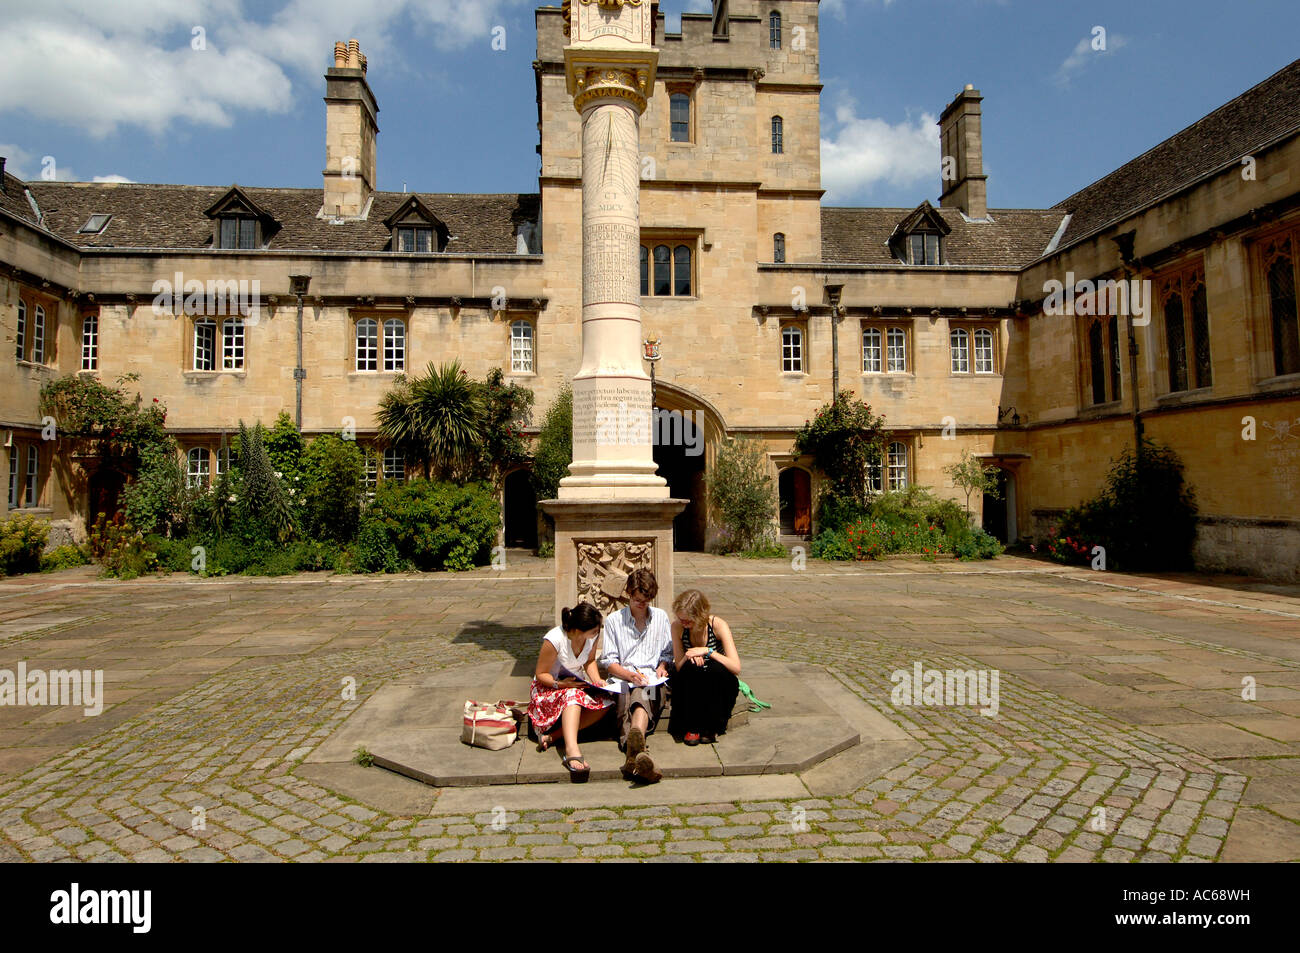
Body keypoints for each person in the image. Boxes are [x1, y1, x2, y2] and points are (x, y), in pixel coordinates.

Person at [600, 568, 673, 783]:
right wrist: (629, 675)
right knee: (626, 696)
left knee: (643, 693)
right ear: (629, 594)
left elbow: (667, 653)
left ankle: (633, 750)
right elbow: (609, 662)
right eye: (637, 599)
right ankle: (640, 754)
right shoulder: (614, 620)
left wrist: (662, 665)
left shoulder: (660, 617)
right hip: (623, 679)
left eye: (646, 600)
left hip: (652, 680)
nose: (641, 604)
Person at [529, 603, 612, 780]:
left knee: (607, 701)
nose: (596, 635)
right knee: (572, 696)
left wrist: (596, 680)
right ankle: (571, 749)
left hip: (575, 683)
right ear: (578, 630)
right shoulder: (555, 639)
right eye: (593, 631)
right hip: (550, 687)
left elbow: (589, 662)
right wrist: (561, 685)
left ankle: (552, 737)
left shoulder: (591, 637)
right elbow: (541, 673)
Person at [669, 589, 741, 745]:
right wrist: (690, 655)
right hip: (691, 678)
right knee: (691, 669)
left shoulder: (718, 625)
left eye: (688, 621)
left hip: (717, 678)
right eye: (681, 619)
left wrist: (708, 652)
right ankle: (692, 726)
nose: (684, 624)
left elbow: (736, 667)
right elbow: (679, 667)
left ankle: (711, 726)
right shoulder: (677, 628)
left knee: (713, 669)